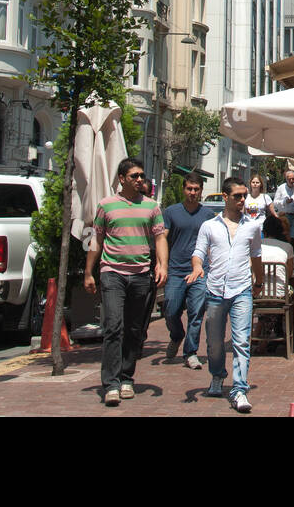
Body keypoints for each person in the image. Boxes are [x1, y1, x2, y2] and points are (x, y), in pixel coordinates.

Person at [84, 158, 168, 407]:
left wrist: (162, 265)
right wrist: (89, 272)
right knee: (113, 326)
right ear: (122, 179)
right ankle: (110, 383)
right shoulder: (106, 206)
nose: (140, 179)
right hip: (112, 273)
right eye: (134, 176)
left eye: (142, 175)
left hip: (141, 275)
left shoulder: (152, 207)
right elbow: (96, 240)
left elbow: (160, 238)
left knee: (135, 329)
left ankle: (126, 377)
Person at [189, 177, 263, 413]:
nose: (242, 200)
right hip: (215, 291)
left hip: (242, 290)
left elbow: (256, 256)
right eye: (237, 196)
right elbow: (199, 252)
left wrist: (258, 281)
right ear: (224, 197)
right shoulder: (209, 226)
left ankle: (239, 389)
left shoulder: (252, 226)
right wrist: (197, 266)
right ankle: (218, 375)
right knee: (214, 344)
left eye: (244, 196)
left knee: (241, 341)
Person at [162, 171, 215, 368]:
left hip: (200, 271)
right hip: (176, 269)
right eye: (189, 188)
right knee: (170, 309)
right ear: (184, 190)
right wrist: (162, 264)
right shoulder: (171, 212)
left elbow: (212, 244)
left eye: (196, 189)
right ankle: (176, 335)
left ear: (201, 191)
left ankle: (190, 352)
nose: (192, 192)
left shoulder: (208, 215)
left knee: (196, 312)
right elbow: (162, 239)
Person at [272, 168, 294, 239]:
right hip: (284, 215)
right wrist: (285, 202)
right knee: (284, 235)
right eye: (290, 179)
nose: (291, 181)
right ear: (286, 179)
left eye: (293, 179)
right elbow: (275, 202)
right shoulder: (281, 188)